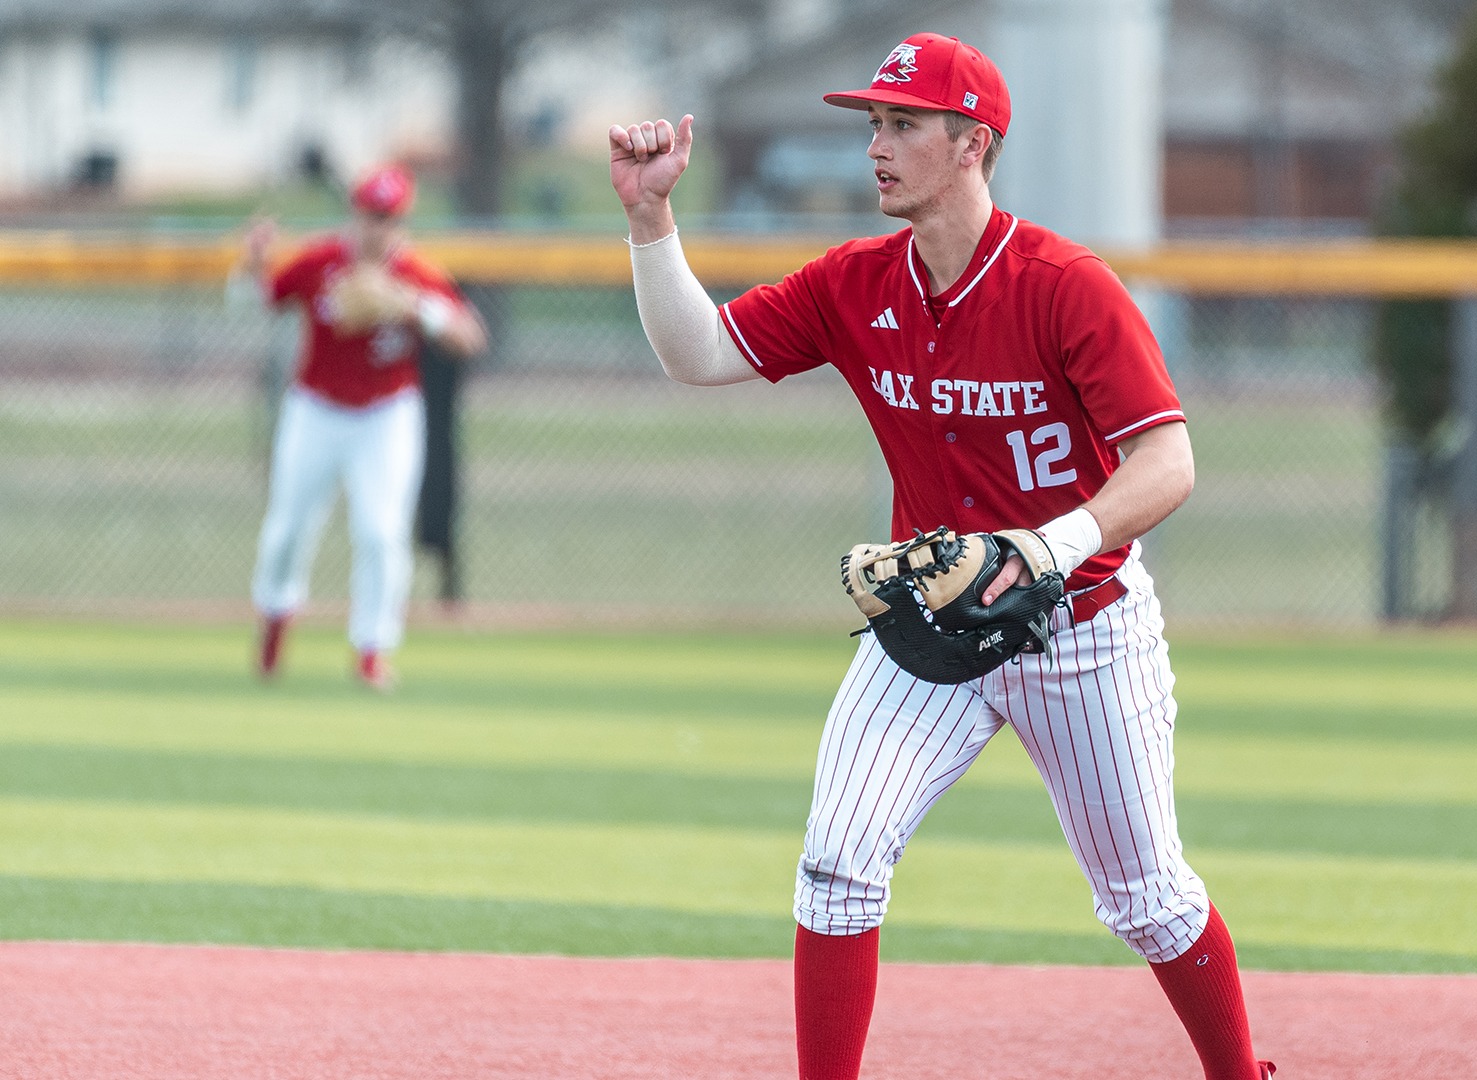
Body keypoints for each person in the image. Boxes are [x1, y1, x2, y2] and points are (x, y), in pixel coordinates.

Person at [609, 33, 1275, 1080]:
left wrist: (1045, 548)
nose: (877, 145)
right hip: (930, 632)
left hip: (1083, 632)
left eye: (903, 124)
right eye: (873, 123)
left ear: (972, 142)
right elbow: (698, 355)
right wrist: (651, 221)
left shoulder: (1065, 286)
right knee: (836, 867)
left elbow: (1168, 462)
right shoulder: (854, 282)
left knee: (1147, 900)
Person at [234, 166, 488, 690]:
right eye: (370, 214)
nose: (378, 226)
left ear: (402, 221)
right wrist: (252, 263)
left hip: (386, 413)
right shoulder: (322, 261)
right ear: (355, 214)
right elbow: (259, 302)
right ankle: (275, 625)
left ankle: (373, 649)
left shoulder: (417, 275)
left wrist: (416, 308)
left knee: (380, 532)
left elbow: (470, 338)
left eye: (388, 217)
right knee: (287, 530)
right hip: (317, 408)